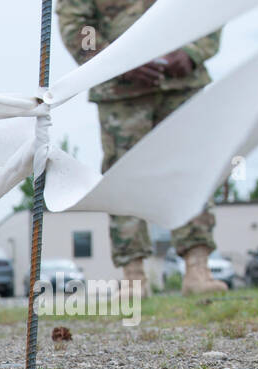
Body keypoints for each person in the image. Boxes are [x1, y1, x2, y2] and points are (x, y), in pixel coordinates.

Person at [57, 0, 226, 296]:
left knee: (192, 171)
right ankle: (133, 276)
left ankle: (198, 269)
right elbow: (77, 25)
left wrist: (193, 51)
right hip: (121, 93)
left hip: (182, 84)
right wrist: (119, 61)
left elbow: (210, 6)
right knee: (123, 177)